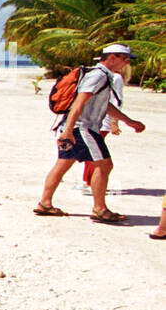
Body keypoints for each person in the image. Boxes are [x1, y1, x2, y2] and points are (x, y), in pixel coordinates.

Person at [35, 44, 145, 222]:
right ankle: (100, 209)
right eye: (125, 59)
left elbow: (104, 105)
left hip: (75, 127)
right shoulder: (99, 75)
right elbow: (79, 103)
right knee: (105, 165)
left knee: (62, 165)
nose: (127, 63)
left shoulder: (103, 75)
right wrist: (68, 131)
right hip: (82, 128)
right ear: (112, 58)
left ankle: (45, 204)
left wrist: (128, 121)